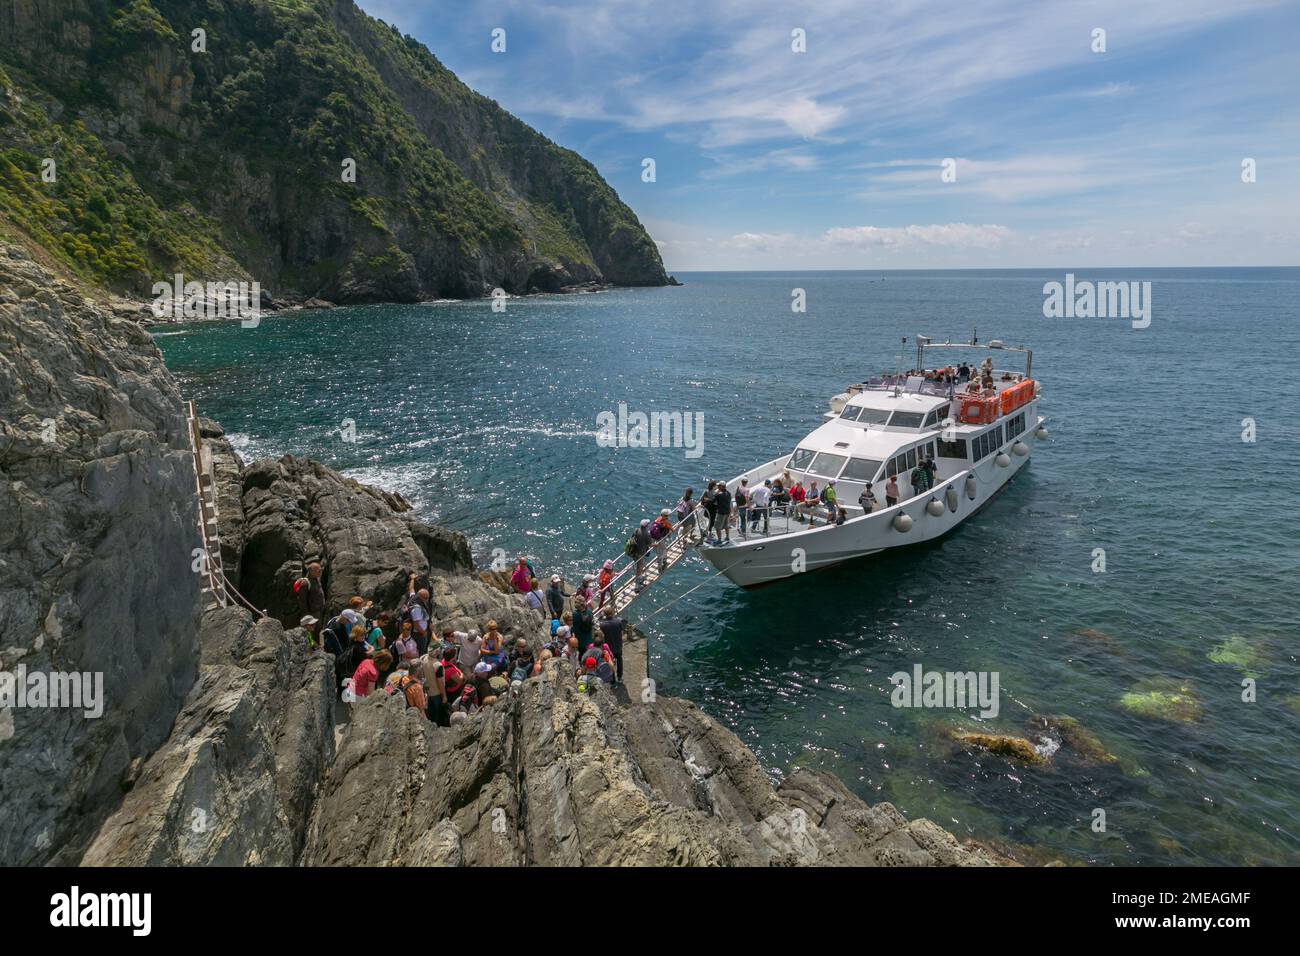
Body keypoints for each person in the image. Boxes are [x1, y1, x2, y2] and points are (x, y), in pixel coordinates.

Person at [403, 573, 432, 654]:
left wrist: (412, 579)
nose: (427, 600)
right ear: (420, 597)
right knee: (420, 653)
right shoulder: (416, 608)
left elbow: (411, 589)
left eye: (428, 597)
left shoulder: (413, 598)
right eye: (425, 598)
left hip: (419, 633)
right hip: (418, 635)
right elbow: (416, 624)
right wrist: (423, 633)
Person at [599, 608, 626, 687]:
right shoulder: (618, 622)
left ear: (605, 614)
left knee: (610, 663)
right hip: (618, 645)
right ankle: (620, 677)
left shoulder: (602, 625)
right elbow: (623, 627)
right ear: (612, 612)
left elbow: (602, 636)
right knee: (619, 660)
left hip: (609, 648)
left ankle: (613, 681)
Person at [630, 519, 652, 588]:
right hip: (640, 554)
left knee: (641, 567)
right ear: (646, 526)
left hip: (634, 552)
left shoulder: (636, 530)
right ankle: (637, 585)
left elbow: (632, 538)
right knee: (639, 569)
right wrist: (656, 545)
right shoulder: (647, 534)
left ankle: (640, 578)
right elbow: (650, 544)